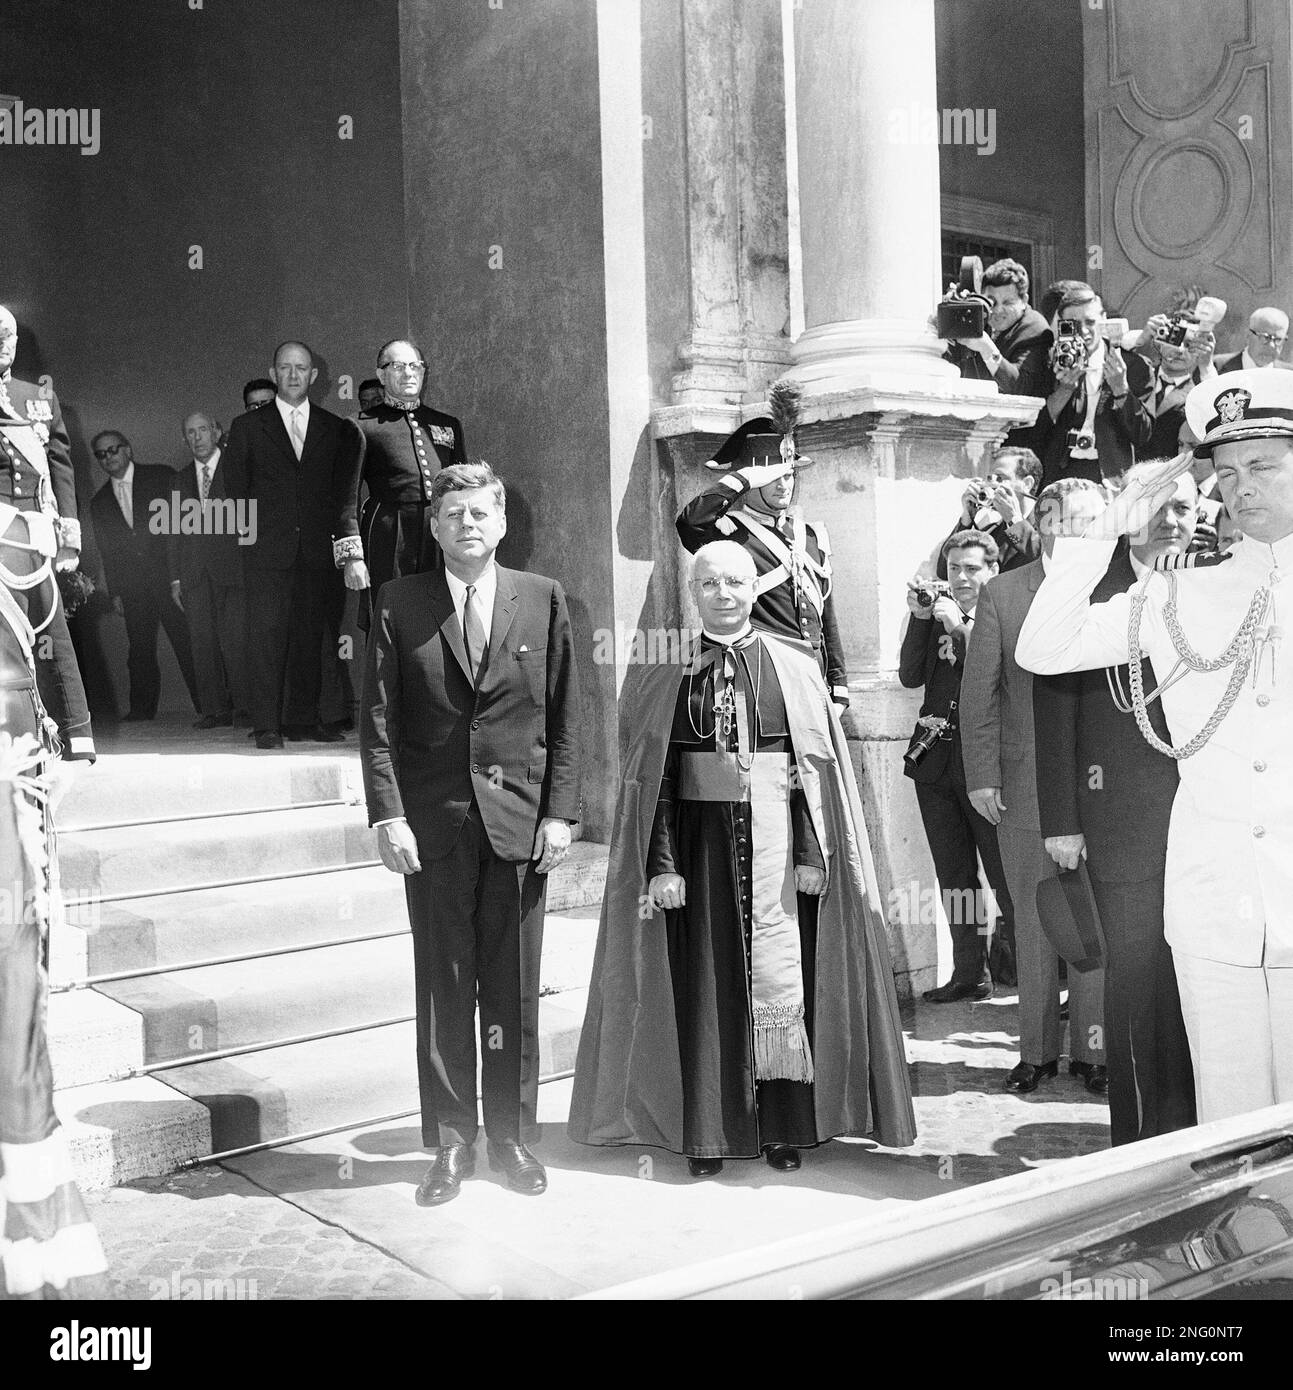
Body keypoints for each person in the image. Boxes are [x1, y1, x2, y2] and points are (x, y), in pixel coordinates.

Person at [569, 541, 915, 1174]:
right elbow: (654, 782)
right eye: (709, 584)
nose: (723, 593)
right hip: (699, 858)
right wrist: (662, 865)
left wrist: (813, 853)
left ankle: (784, 1128)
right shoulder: (662, 670)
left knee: (787, 986)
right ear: (693, 594)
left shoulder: (795, 665)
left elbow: (817, 774)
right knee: (708, 986)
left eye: (735, 581)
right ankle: (711, 1132)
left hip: (782, 854)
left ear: (755, 589)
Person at [1016, 368, 1293, 1123]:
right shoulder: (1181, 592)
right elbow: (1045, 647)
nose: (1240, 487)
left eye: (1263, 465)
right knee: (1232, 1120)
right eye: (1226, 471)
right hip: (1213, 904)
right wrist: (1103, 527)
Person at [360, 461, 580, 1206]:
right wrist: (388, 814)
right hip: (435, 830)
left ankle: (512, 1136)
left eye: (480, 513)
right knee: (445, 988)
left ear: (502, 521)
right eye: (453, 514)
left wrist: (560, 811)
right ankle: (452, 1143)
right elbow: (380, 723)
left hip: (519, 825)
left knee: (513, 990)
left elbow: (565, 716)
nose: (468, 525)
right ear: (434, 526)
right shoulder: (399, 602)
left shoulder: (542, 599)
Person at [1031, 467, 1199, 1143]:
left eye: (1182, 507)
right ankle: (1141, 1139)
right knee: (1137, 987)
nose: (1169, 520)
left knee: (1200, 983)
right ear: (1125, 515)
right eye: (1155, 507)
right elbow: (1053, 705)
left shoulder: (1214, 583)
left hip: (1207, 821)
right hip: (1121, 822)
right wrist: (1061, 822)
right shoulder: (1087, 594)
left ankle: (1206, 1124)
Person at [960, 480, 1108, 1095]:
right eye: (1073, 521)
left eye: (1095, 523)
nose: (1084, 534)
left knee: (1092, 924)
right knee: (1035, 919)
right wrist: (983, 776)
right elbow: (980, 693)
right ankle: (1038, 1053)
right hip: (1020, 788)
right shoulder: (1003, 591)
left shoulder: (1118, 586)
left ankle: (1095, 1054)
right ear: (1043, 522)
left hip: (1101, 786)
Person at [1, 527, 107, 1299]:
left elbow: (52, 650)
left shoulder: (18, 553)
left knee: (14, 1041)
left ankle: (32, 1253)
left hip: (6, 838)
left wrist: (75, 740)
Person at [224, 341, 358, 748]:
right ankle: (267, 724)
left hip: (317, 552)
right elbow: (236, 493)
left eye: (302, 368)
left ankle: (304, 719)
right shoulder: (247, 426)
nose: (294, 375)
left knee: (312, 638)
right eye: (286, 368)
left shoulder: (335, 429)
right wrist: (252, 545)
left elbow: (340, 496)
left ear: (314, 376)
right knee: (265, 639)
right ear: (274, 371)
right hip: (266, 553)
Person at [899, 530, 1015, 1001]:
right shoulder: (938, 616)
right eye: (953, 570)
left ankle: (1036, 981)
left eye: (972, 569)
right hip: (936, 762)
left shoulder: (1004, 615)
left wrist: (960, 628)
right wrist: (921, 620)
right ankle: (970, 972)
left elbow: (996, 676)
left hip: (986, 766)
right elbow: (910, 675)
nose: (962, 578)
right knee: (955, 876)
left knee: (1005, 874)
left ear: (993, 571)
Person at [677, 417, 849, 709]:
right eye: (773, 476)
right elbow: (690, 521)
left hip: (814, 685)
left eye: (789, 474)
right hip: (762, 683)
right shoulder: (728, 533)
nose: (784, 484)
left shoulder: (810, 536)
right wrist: (740, 480)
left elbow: (825, 616)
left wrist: (839, 685)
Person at [0, 308, 93, 761]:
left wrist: (70, 540)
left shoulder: (37, 397)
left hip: (34, 535)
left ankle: (74, 738)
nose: (3, 344)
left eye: (9, 336)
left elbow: (60, 465)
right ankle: (16, 739)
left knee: (51, 636)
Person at [332, 339, 467, 624]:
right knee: (389, 619)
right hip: (389, 533)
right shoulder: (361, 425)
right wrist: (352, 558)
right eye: (398, 366)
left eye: (415, 366)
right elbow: (344, 496)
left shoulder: (446, 424)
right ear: (382, 375)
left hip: (440, 533)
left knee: (443, 615)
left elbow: (462, 489)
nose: (408, 373)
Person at [87, 430, 199, 722]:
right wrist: (115, 593)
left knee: (188, 644)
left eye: (113, 450)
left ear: (128, 449)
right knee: (139, 652)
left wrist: (183, 575)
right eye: (101, 454)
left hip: (172, 580)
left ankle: (210, 707)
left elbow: (186, 526)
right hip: (134, 589)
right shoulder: (99, 502)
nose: (108, 457)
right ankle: (141, 712)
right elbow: (107, 553)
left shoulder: (161, 477)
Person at [1032, 282, 1154, 488]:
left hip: (1111, 477)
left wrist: (1120, 389)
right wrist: (1065, 389)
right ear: (1061, 324)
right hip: (1061, 475)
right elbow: (1036, 429)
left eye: (1090, 321)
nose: (1083, 331)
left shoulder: (1133, 365)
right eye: (1073, 323)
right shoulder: (1051, 362)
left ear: (1104, 320)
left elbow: (1143, 434)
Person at [170, 412, 248, 729]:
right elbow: (173, 531)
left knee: (237, 641)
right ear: (185, 439)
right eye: (190, 432)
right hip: (194, 574)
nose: (197, 437)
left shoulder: (238, 469)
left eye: (203, 429)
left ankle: (245, 709)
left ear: (216, 432)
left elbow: (251, 520)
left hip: (234, 570)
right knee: (202, 643)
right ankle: (214, 710)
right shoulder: (179, 478)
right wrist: (175, 577)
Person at [942, 257, 1053, 397]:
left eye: (1008, 303)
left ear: (1024, 300)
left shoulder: (1036, 329)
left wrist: (987, 348)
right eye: (991, 302)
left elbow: (1022, 387)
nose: (998, 310)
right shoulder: (977, 315)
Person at [933, 445, 1043, 578]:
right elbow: (945, 571)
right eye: (991, 478)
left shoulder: (1051, 523)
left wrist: (1014, 520)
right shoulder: (992, 528)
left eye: (1001, 479)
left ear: (1027, 483)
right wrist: (966, 519)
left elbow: (1045, 558)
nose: (993, 485)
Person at [1215, 307, 1289, 373]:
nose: (1271, 345)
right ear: (1248, 335)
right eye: (1265, 337)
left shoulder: (1289, 375)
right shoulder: (1216, 367)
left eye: (1278, 339)